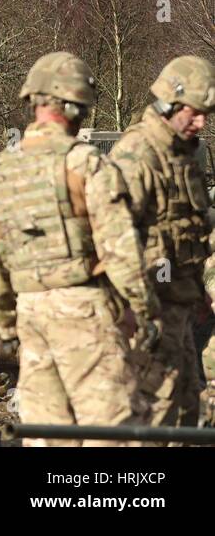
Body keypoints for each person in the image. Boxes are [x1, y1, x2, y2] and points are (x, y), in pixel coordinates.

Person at [0, 51, 159, 445]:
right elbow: (121, 250)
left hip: (30, 312)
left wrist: (5, 322)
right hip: (84, 311)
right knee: (110, 429)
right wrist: (143, 312)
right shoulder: (87, 164)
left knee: (45, 432)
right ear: (77, 107)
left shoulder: (1, 169)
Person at [110, 55, 215, 429]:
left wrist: (196, 291)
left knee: (185, 412)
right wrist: (139, 308)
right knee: (153, 414)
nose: (202, 122)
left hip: (180, 309)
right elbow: (114, 239)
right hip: (150, 312)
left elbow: (186, 230)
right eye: (195, 112)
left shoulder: (183, 156)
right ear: (170, 103)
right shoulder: (138, 154)